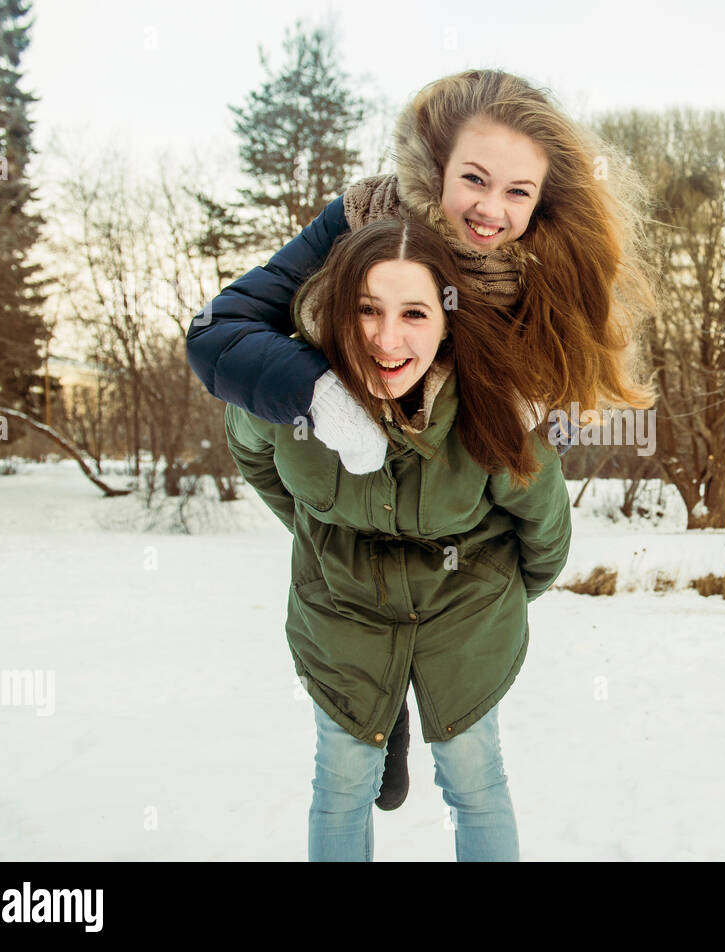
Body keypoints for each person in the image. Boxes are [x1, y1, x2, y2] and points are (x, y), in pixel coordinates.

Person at [188, 68, 656, 810]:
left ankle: (416, 688)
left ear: (541, 201)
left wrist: (527, 392)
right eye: (474, 178)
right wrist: (324, 397)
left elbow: (557, 429)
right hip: (347, 488)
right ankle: (382, 706)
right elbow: (218, 335)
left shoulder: (543, 265)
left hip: (453, 529)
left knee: (473, 770)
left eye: (517, 193)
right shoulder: (360, 221)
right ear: (435, 166)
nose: (490, 210)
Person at [224, 215, 572, 861]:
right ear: (335, 311)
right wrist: (315, 535)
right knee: (342, 780)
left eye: (414, 312)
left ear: (446, 321)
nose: (387, 338)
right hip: (341, 607)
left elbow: (544, 528)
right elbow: (254, 457)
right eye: (366, 309)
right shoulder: (287, 395)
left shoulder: (495, 406)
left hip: (464, 606)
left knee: (474, 779)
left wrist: (504, 597)